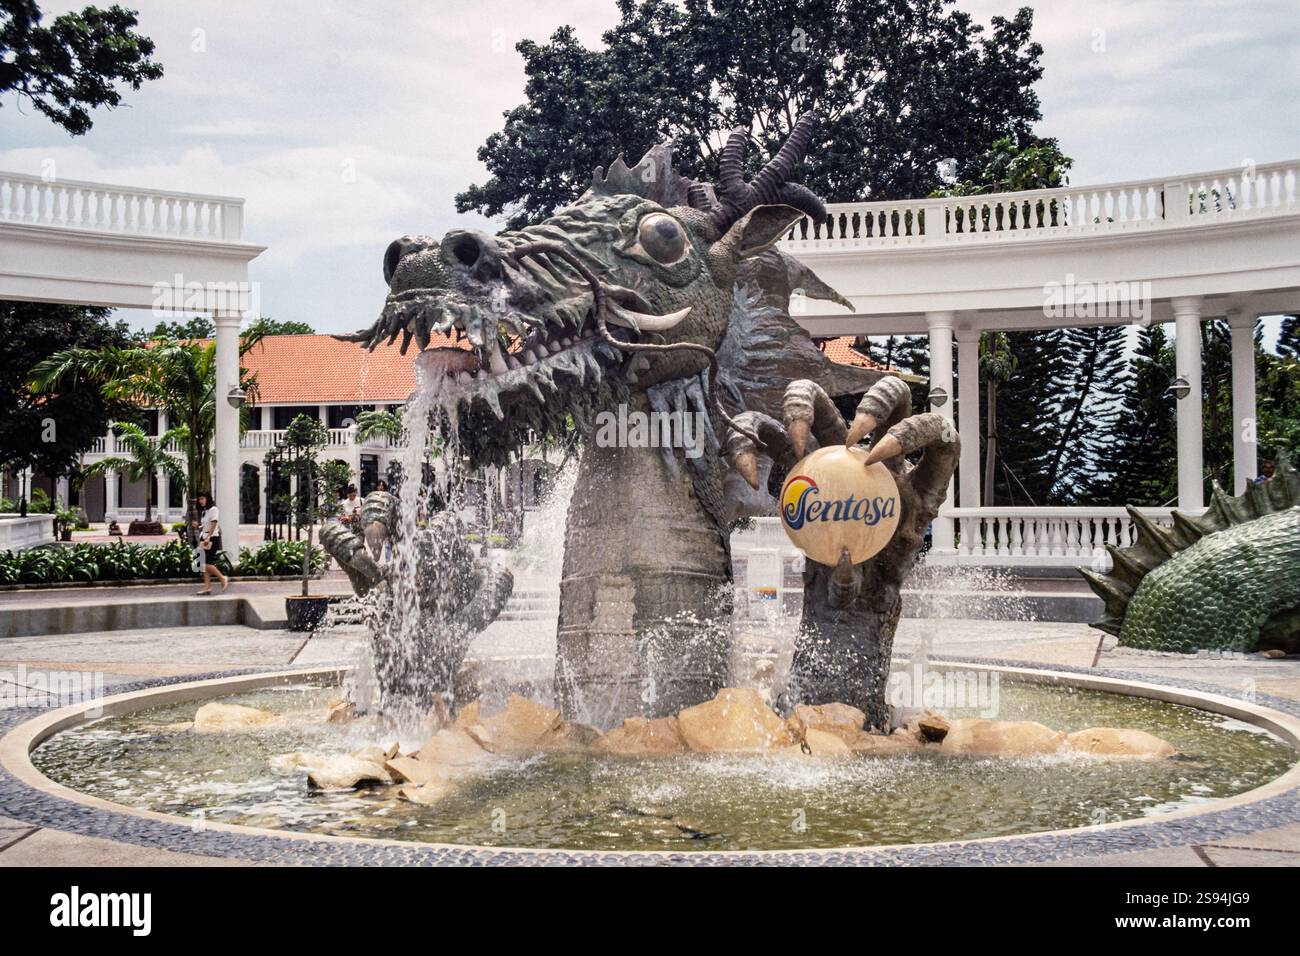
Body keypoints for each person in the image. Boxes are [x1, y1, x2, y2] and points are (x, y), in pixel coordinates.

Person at [192, 490, 228, 595]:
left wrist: (208, 537)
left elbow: (214, 523)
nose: (200, 501)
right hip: (205, 538)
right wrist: (198, 526)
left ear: (207, 498)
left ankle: (222, 578)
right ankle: (207, 587)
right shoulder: (205, 511)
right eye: (199, 499)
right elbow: (206, 524)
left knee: (206, 563)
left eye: (202, 498)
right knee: (202, 564)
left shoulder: (213, 509)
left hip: (212, 538)